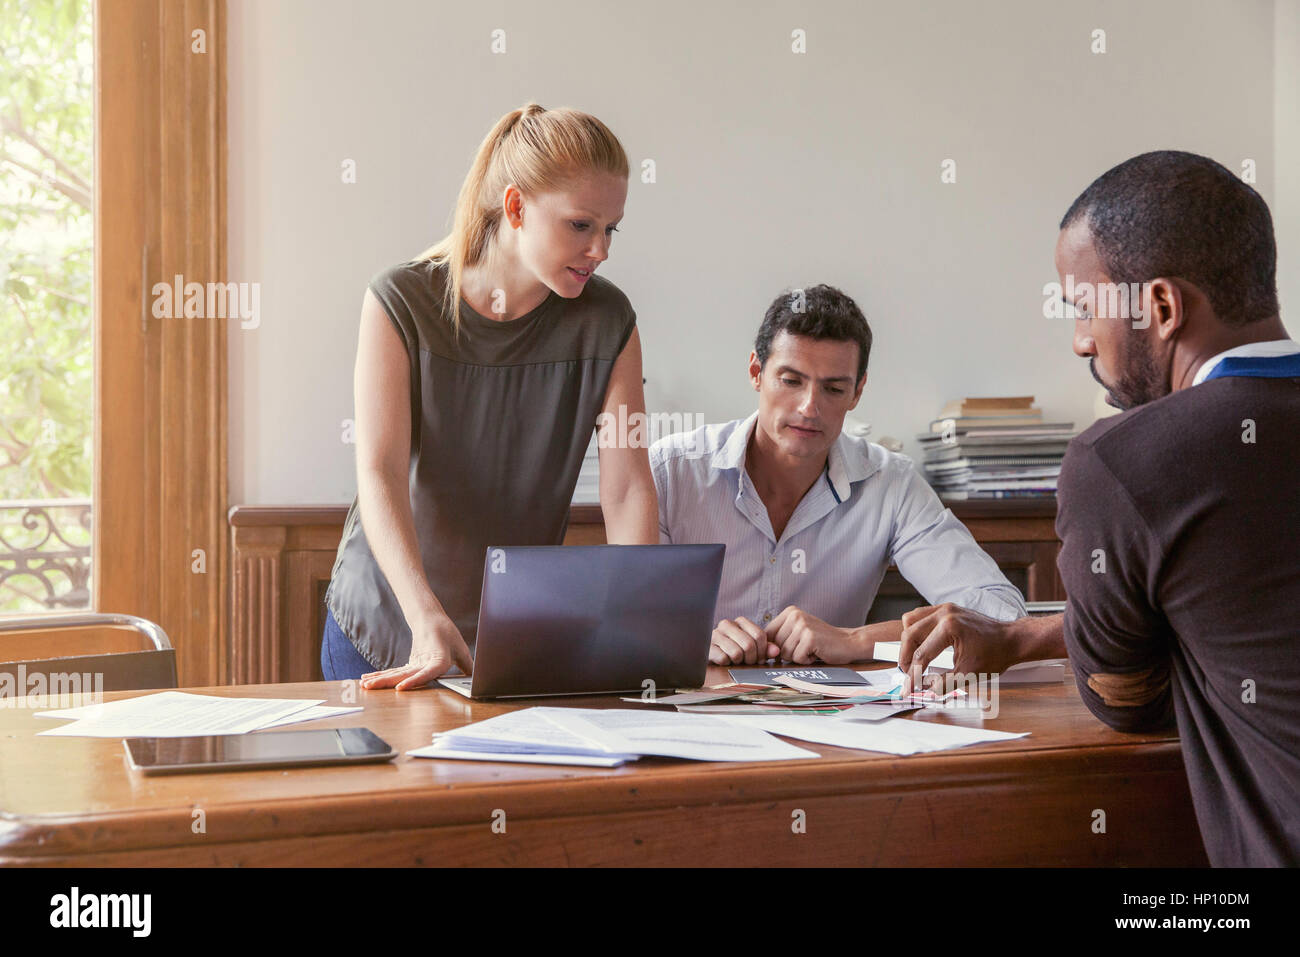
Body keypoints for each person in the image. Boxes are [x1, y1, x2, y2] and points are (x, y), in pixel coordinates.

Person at [899, 150, 1299, 867]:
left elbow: (1129, 700)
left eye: (1085, 310)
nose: (1081, 339)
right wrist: (1024, 637)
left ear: (1161, 308)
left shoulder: (1124, 462)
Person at [322, 103, 658, 689]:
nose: (600, 249)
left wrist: (635, 620)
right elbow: (378, 472)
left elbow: (627, 487)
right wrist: (424, 617)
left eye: (611, 229)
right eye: (581, 225)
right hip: (386, 620)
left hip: (513, 631)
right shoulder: (400, 300)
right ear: (516, 207)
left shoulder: (609, 320)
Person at [650, 284, 1025, 666]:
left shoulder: (890, 483)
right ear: (756, 373)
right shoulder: (671, 472)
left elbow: (1002, 615)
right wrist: (693, 641)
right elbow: (625, 623)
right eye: (791, 380)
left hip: (834, 717)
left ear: (857, 392)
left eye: (833, 388)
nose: (809, 407)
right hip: (695, 711)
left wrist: (855, 639)